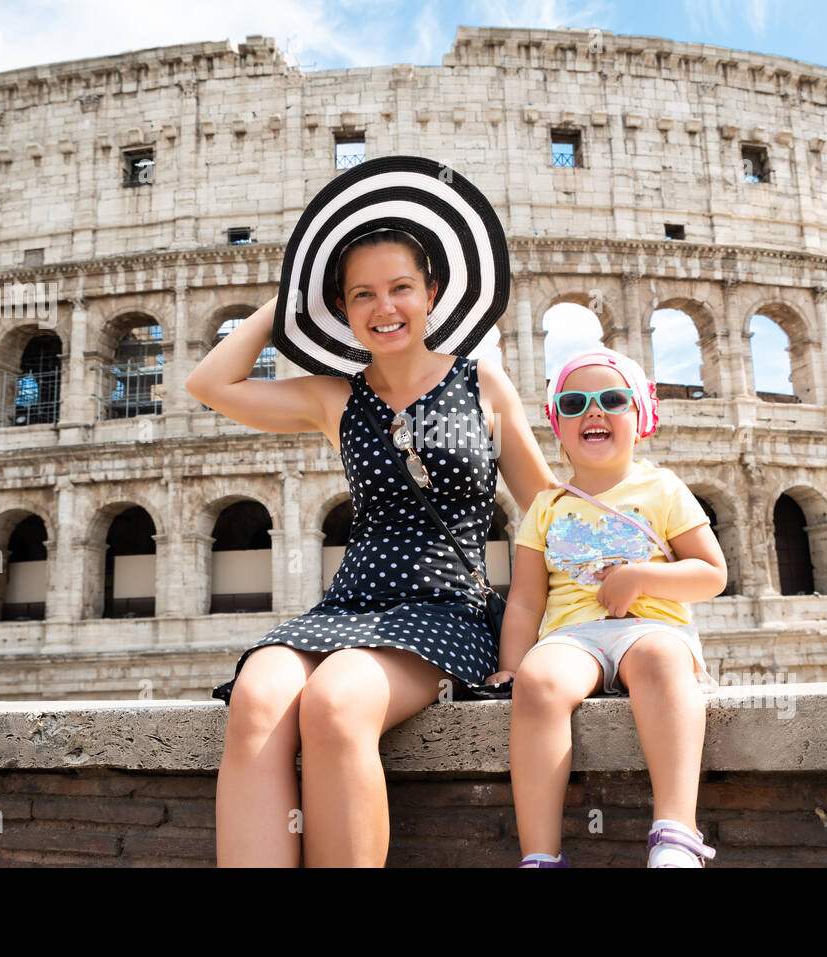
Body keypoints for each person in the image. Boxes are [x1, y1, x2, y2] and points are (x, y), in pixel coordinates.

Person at [185, 223, 555, 867]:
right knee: (257, 697)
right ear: (342, 309)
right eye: (361, 295)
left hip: (444, 608)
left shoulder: (482, 385)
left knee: (336, 704)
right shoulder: (336, 398)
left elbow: (547, 508)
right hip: (348, 605)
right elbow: (210, 384)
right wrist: (287, 300)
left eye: (400, 288)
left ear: (432, 292)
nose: (384, 308)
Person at [483, 348, 728, 868]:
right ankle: (541, 856)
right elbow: (526, 601)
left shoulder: (663, 487)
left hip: (651, 629)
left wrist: (641, 576)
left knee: (662, 662)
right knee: (539, 681)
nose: (593, 412)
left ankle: (675, 834)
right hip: (574, 637)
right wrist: (511, 665)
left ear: (641, 417)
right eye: (574, 404)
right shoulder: (546, 506)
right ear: (557, 427)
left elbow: (711, 574)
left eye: (612, 400)